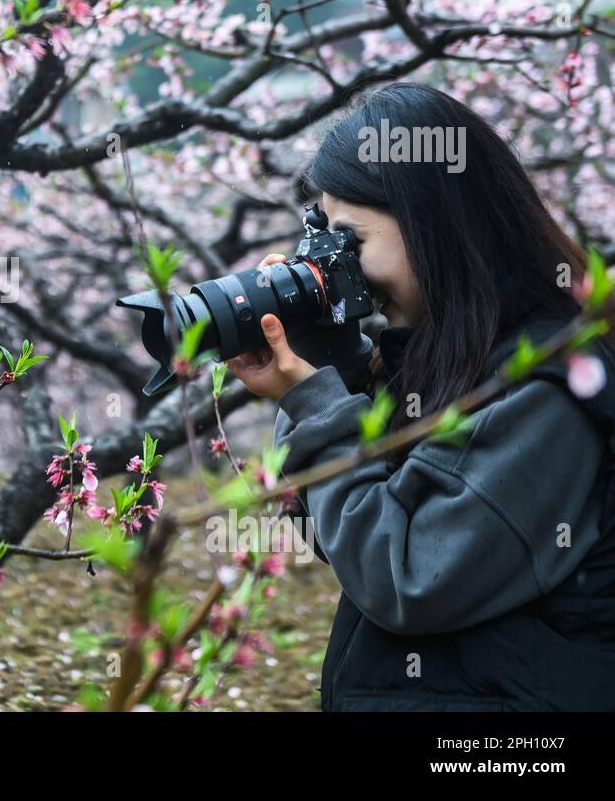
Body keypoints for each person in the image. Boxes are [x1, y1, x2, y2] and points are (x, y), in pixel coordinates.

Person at [226, 81, 615, 710]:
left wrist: (317, 406)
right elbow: (348, 540)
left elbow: (406, 577)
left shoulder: (548, 390)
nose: (335, 266)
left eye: (351, 242)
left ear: (437, 228)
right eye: (325, 238)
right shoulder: (445, 356)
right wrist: (334, 367)